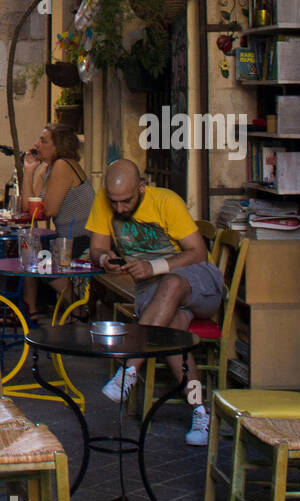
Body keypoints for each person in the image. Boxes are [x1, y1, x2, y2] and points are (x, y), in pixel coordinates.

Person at [87, 159, 224, 446]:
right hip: (154, 290)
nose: (120, 209)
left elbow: (198, 252)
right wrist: (104, 259)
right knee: (172, 331)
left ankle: (129, 369)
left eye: (127, 201)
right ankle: (201, 411)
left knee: (172, 282)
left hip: (197, 282)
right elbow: (97, 248)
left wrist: (155, 267)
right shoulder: (105, 201)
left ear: (141, 186)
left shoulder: (166, 201)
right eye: (114, 203)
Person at [20, 123, 96, 322]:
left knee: (34, 252)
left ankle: (76, 307)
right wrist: (28, 171)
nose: (37, 144)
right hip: (65, 238)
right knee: (29, 245)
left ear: (58, 146)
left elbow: (48, 211)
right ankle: (32, 309)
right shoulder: (48, 168)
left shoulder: (63, 165)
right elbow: (28, 207)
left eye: (43, 140)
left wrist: (34, 206)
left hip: (82, 239)